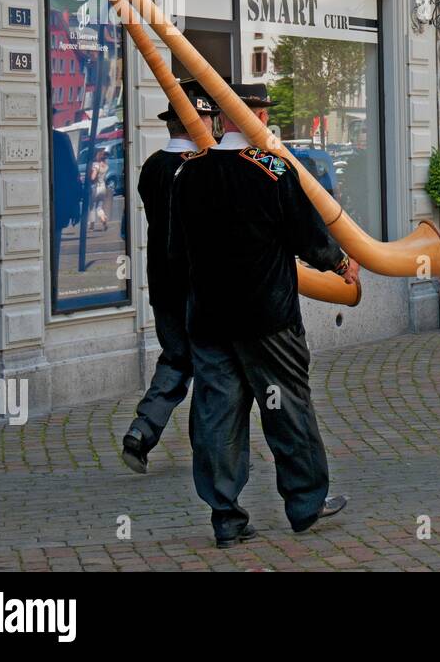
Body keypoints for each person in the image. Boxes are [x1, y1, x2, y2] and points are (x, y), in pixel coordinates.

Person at [169, 83, 358, 547]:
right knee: (287, 407)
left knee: (217, 416)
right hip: (267, 317)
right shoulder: (273, 170)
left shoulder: (188, 174)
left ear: (220, 117)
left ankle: (225, 517)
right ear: (249, 117)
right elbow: (306, 235)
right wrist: (339, 262)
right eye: (261, 114)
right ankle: (306, 502)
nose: (266, 124)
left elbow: (176, 252)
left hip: (210, 319)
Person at [121, 83, 217, 474]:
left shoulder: (152, 166)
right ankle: (209, 449)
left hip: (162, 282)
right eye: (211, 119)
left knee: (177, 358)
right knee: (210, 366)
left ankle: (141, 432)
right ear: (199, 121)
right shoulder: (205, 166)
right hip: (200, 284)